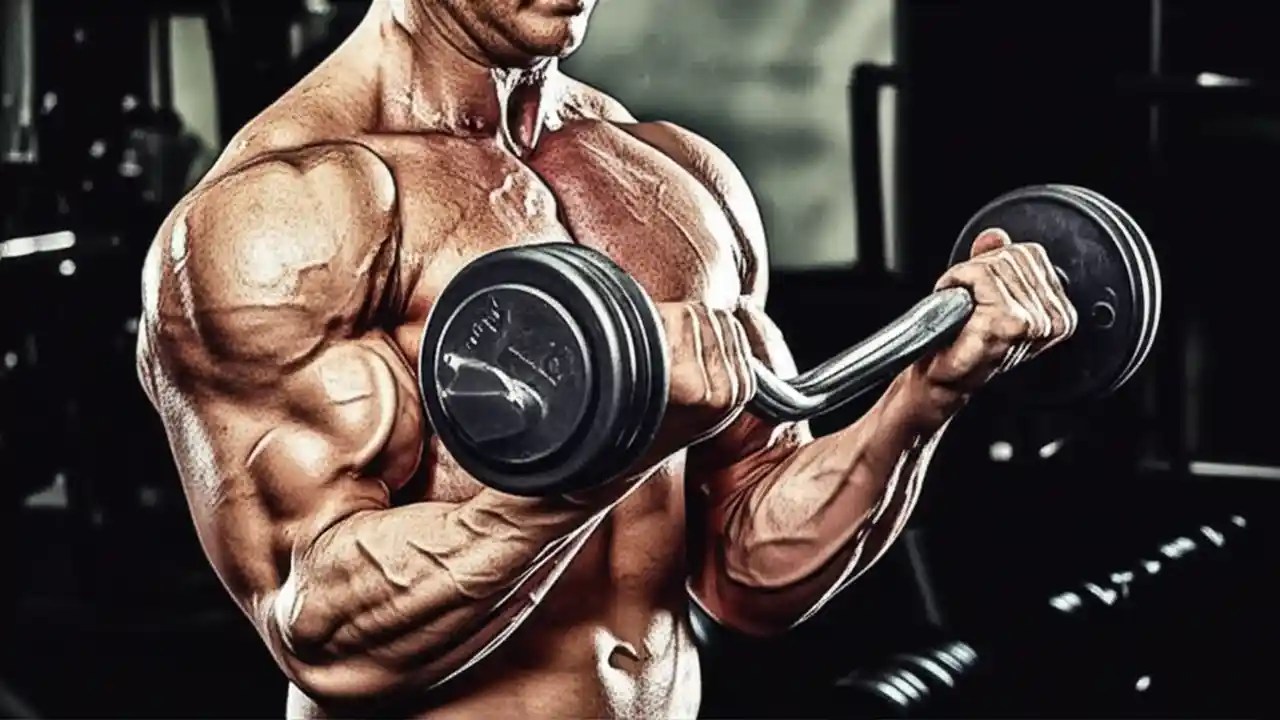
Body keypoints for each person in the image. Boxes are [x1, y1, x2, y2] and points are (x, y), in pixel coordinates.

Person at [135, 0, 1076, 717]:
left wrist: (926, 395)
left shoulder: (672, 174)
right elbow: (325, 631)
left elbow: (746, 566)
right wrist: (608, 453)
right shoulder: (284, 214)